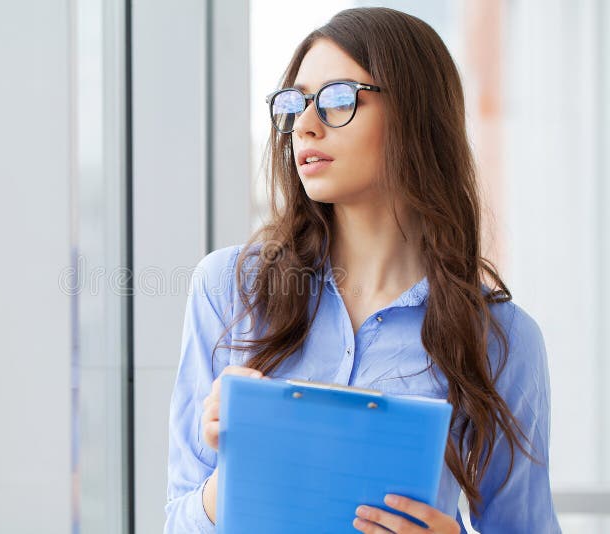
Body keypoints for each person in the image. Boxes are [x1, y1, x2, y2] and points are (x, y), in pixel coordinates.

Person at [164, 7, 560, 534]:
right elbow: (177, 521)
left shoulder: (502, 338)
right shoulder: (229, 287)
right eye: (295, 104)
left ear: (416, 115)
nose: (304, 125)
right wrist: (232, 475)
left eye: (337, 100)